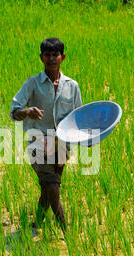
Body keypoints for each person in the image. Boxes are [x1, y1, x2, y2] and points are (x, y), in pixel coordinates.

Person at [10, 38, 83, 233]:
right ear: (41, 57)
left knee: (48, 189)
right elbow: (14, 111)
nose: (52, 59)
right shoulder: (32, 83)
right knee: (52, 187)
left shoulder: (72, 86)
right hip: (38, 144)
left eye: (55, 55)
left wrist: (87, 139)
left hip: (61, 147)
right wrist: (27, 112)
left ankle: (37, 225)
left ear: (63, 57)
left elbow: (78, 118)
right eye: (48, 55)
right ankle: (66, 232)